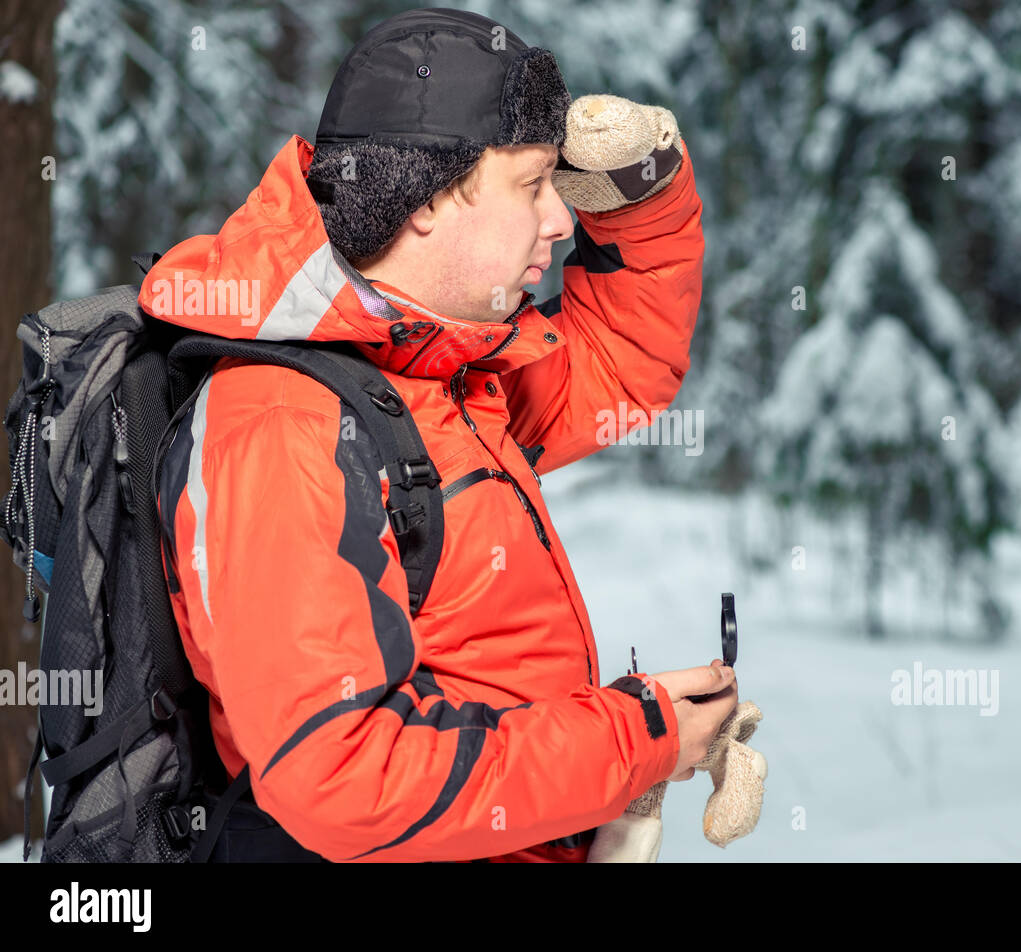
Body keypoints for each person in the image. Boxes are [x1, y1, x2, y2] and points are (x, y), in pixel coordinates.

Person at [140, 7, 732, 863]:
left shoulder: (439, 374)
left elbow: (618, 368)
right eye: (532, 185)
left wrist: (644, 196)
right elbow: (340, 778)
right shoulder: (284, 423)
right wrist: (632, 738)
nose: (561, 219)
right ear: (424, 201)